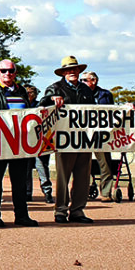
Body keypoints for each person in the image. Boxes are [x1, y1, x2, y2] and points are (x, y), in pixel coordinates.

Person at [0, 59, 39, 228]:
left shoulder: (21, 90)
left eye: (10, 71)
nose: (7, 74)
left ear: (15, 73)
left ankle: (22, 215)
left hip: (18, 143)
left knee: (19, 182)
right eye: (3, 71)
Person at [40, 55, 96, 224]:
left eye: (75, 69)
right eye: (68, 69)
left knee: (83, 177)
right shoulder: (55, 88)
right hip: (64, 141)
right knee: (63, 177)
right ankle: (61, 210)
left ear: (79, 71)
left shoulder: (86, 90)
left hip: (84, 140)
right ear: (63, 72)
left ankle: (78, 210)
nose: (72, 72)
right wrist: (51, 100)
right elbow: (41, 105)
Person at [82, 71, 118, 203]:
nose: (83, 82)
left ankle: (106, 192)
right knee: (82, 163)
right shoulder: (80, 93)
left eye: (85, 80)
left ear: (94, 81)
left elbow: (113, 111)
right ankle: (82, 192)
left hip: (101, 133)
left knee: (105, 163)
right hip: (84, 133)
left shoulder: (105, 94)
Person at [25, 85, 52, 205]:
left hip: (40, 143)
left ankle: (47, 192)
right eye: (27, 92)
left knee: (42, 168)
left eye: (32, 92)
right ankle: (27, 193)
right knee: (26, 169)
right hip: (25, 143)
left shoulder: (40, 105)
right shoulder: (22, 106)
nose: (29, 94)